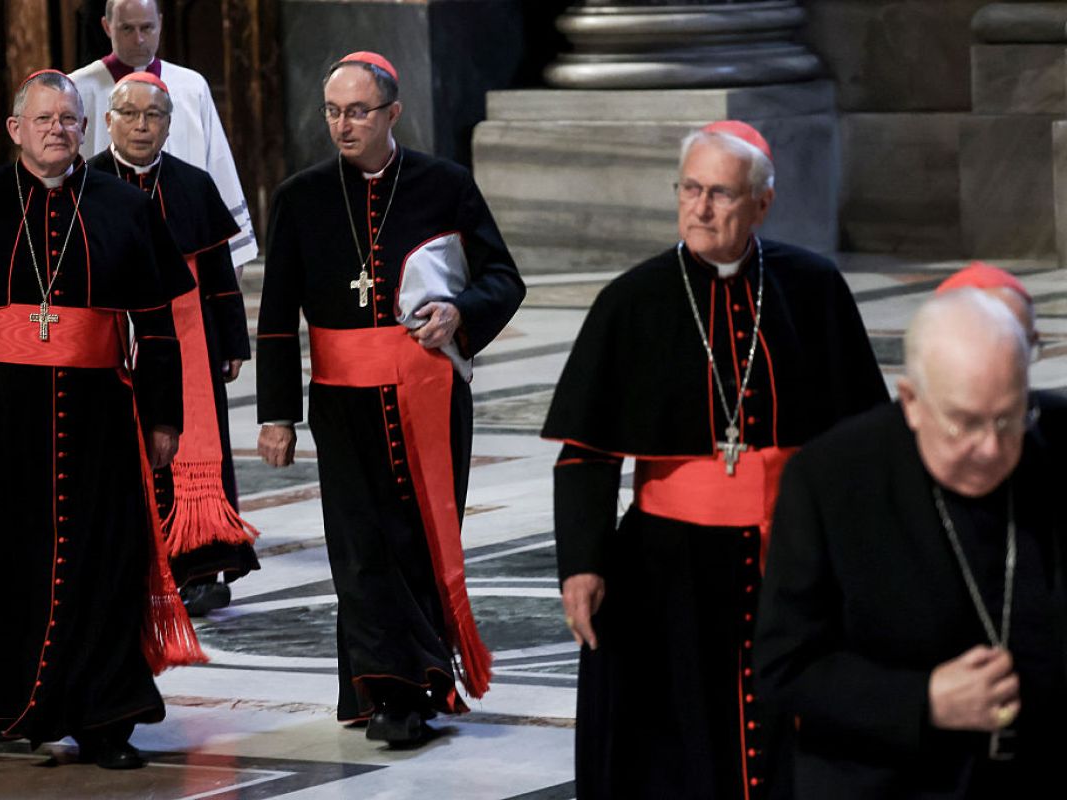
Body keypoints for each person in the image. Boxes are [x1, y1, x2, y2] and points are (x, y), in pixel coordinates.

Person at [541, 121, 889, 798]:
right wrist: (581, 565)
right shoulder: (632, 300)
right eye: (690, 189)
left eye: (721, 194)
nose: (700, 208)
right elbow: (586, 453)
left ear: (762, 203)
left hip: (794, 551)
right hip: (669, 564)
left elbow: (863, 442)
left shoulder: (812, 288)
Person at [0, 70, 202, 769]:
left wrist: (163, 420)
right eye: (44, 118)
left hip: (98, 420)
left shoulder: (122, 205)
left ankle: (105, 718)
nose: (58, 129)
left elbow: (155, 329)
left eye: (69, 119)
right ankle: (14, 696)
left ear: (85, 130)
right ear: (15, 129)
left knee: (104, 563)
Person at [255, 52, 525, 745]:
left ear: (392, 113)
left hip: (428, 396)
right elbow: (278, 315)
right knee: (360, 545)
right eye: (333, 112)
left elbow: (503, 278)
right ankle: (386, 693)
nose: (343, 125)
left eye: (358, 112)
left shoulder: (445, 185)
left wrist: (459, 313)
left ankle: (423, 684)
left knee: (425, 537)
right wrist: (277, 414)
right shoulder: (301, 195)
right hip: (341, 403)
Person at [754, 289, 1067, 798]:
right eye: (965, 423)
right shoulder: (832, 478)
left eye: (1009, 418)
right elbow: (784, 667)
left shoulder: (1055, 443)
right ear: (913, 401)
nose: (990, 448)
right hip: (886, 783)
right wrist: (922, 700)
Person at [88, 71, 258, 617]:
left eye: (154, 116)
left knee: (192, 445)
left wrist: (232, 339)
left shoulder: (192, 183)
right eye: (130, 114)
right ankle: (130, 564)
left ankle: (201, 568)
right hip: (109, 342)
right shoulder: (85, 184)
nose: (142, 125)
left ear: (169, 124)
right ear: (108, 121)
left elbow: (218, 270)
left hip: (190, 338)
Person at [69, 0, 258, 269]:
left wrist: (231, 260)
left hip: (185, 246)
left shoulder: (192, 87)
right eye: (127, 29)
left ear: (160, 23)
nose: (139, 39)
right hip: (104, 247)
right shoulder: (76, 89)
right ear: (106, 26)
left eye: (147, 27)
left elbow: (218, 169)